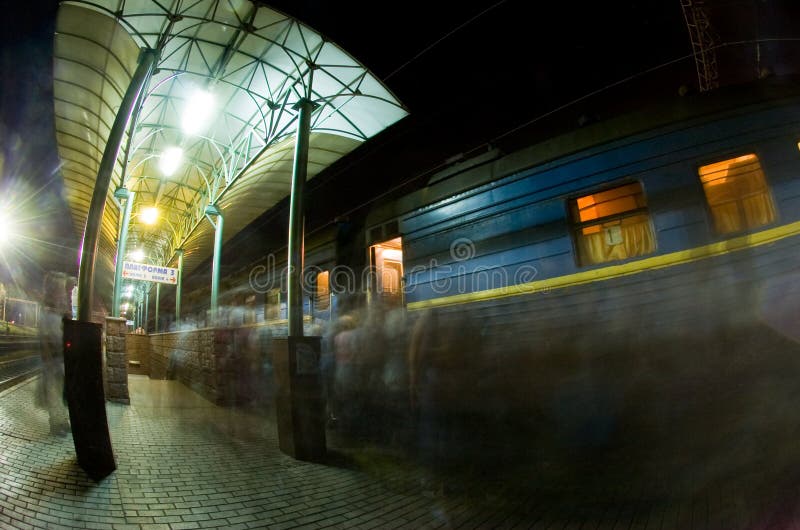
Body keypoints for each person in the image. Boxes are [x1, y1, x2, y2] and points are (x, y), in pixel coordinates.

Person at [37, 272, 72, 436]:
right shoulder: (46, 313)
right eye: (60, 289)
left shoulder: (59, 311)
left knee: (60, 391)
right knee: (53, 392)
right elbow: (44, 338)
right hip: (52, 360)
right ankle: (56, 424)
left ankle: (62, 421)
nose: (64, 293)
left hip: (60, 358)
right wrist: (49, 359)